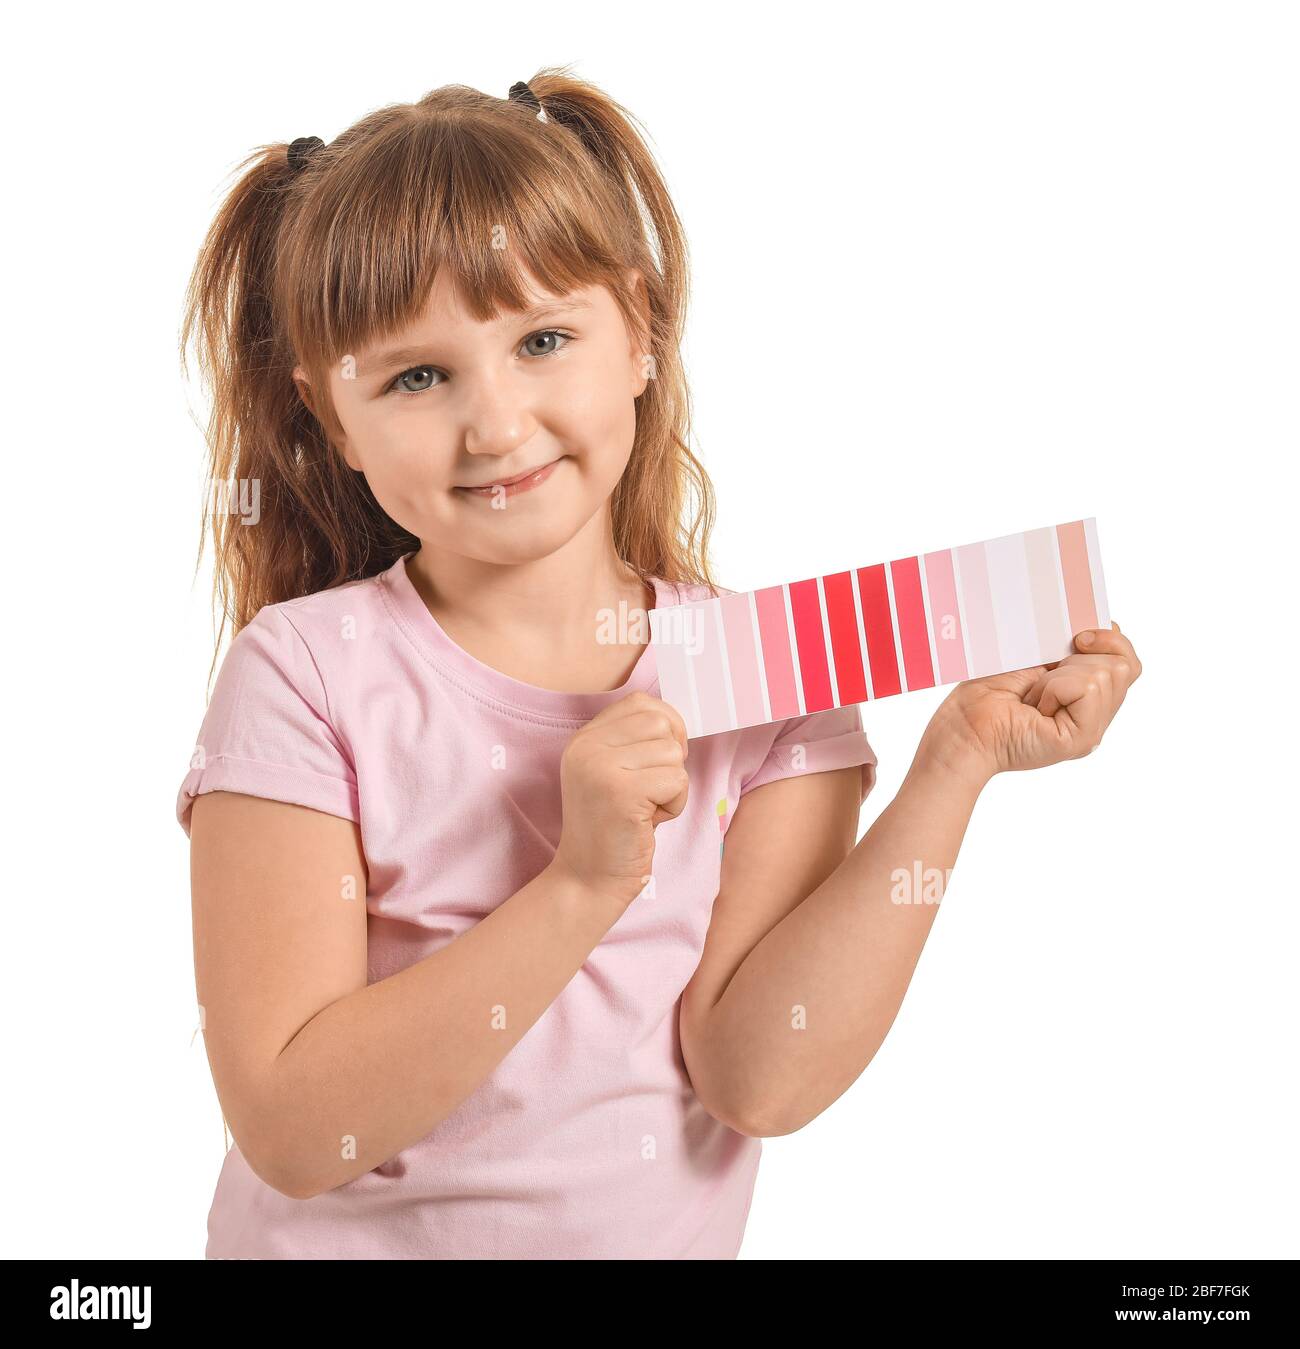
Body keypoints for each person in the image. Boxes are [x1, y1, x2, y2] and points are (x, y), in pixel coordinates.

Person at [176, 67, 1142, 1260]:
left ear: (637, 333)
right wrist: (581, 883)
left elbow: (757, 1081)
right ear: (331, 414)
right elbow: (291, 1129)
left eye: (543, 339)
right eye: (417, 375)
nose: (494, 422)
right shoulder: (306, 673)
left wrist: (952, 767)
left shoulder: (774, 668)